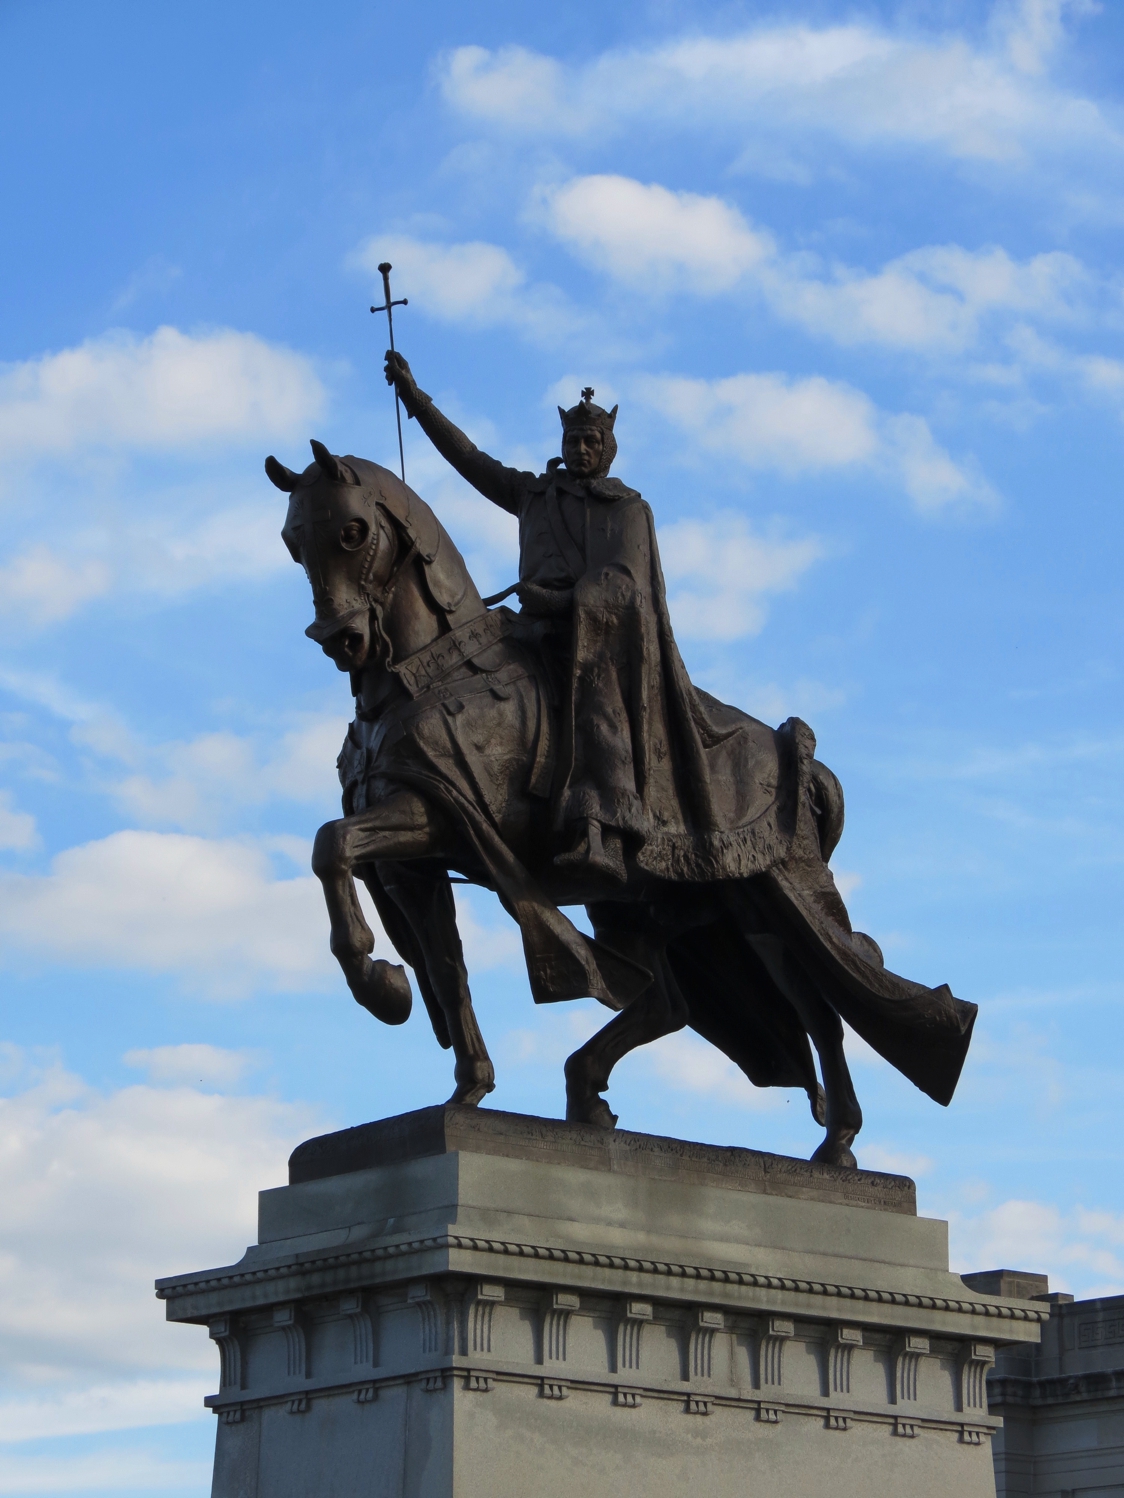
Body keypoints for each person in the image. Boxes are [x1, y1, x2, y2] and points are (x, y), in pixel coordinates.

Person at [384, 351, 787, 888]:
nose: (578, 449)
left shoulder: (628, 509)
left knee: (596, 697)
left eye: (589, 442)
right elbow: (471, 460)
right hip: (529, 633)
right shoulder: (533, 493)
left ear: (607, 449)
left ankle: (602, 828)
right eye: (572, 441)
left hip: (596, 641)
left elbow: (625, 586)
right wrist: (416, 398)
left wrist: (559, 601)